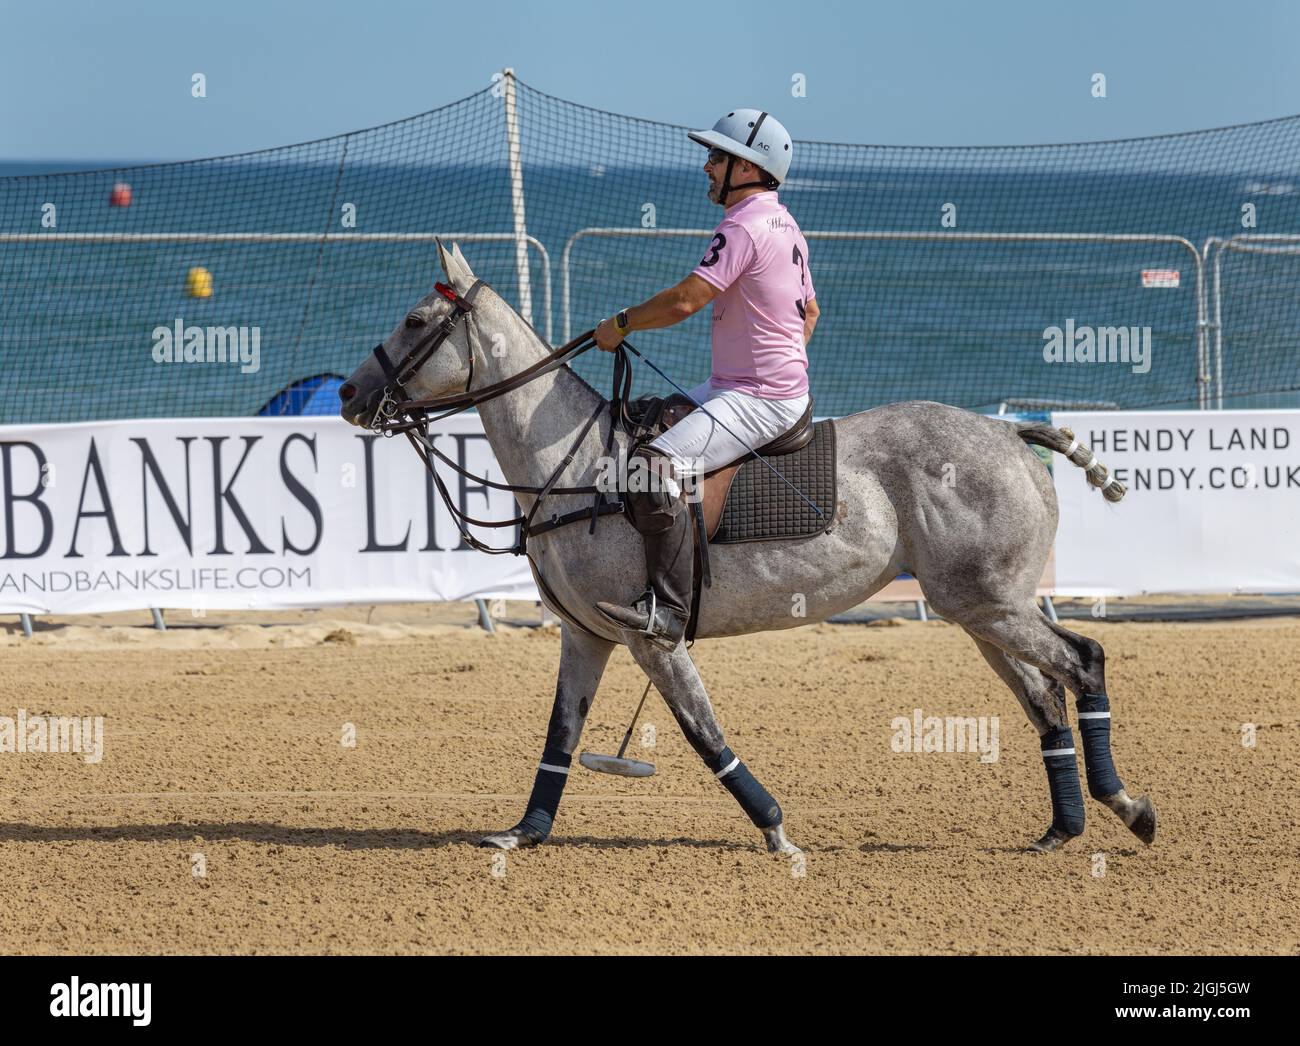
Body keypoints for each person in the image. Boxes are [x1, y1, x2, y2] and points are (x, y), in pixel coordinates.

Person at [593, 108, 820, 650]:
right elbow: (811, 313)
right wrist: (782, 362)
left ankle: (670, 610)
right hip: (749, 388)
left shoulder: (743, 224)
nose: (707, 166)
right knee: (646, 418)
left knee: (650, 468)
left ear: (748, 167)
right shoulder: (785, 223)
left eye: (717, 157)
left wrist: (619, 324)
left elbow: (687, 299)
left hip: (758, 399)